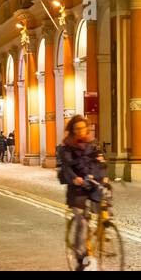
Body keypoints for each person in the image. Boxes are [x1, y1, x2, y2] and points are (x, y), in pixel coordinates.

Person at [58, 115, 105, 271]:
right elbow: (66, 167)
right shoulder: (66, 147)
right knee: (82, 221)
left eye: (82, 128)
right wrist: (74, 179)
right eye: (77, 128)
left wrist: (101, 173)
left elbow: (98, 163)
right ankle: (80, 258)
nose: (80, 131)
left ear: (87, 128)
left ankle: (105, 229)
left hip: (91, 184)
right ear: (72, 130)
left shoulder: (92, 144)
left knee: (105, 201)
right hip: (76, 189)